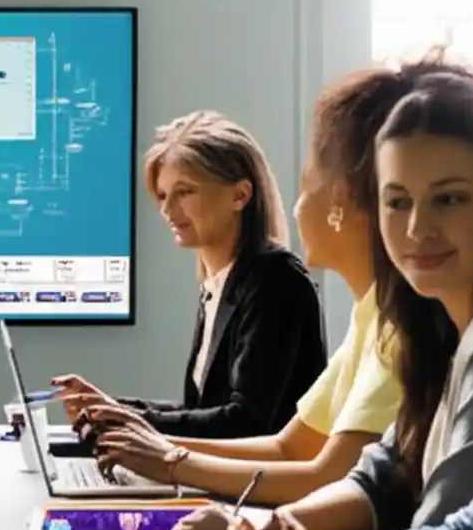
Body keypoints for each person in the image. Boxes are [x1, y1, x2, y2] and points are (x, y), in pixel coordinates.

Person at [202, 66, 473, 530]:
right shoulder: (444, 314)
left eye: (449, 198)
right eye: (397, 202)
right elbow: (386, 474)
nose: (418, 228)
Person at [83, 78, 415, 507]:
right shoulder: (368, 318)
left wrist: (167, 457)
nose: (294, 208)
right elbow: (288, 447)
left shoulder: (385, 323)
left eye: (305, 187)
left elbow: (322, 474)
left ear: (341, 203)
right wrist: (138, 437)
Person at [54, 111, 326, 439]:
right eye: (164, 196)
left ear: (240, 195)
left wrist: (127, 420)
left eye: (185, 192)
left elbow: (245, 421)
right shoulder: (219, 284)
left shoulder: (275, 281)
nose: (167, 211)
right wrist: (109, 407)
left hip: (256, 487)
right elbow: (201, 412)